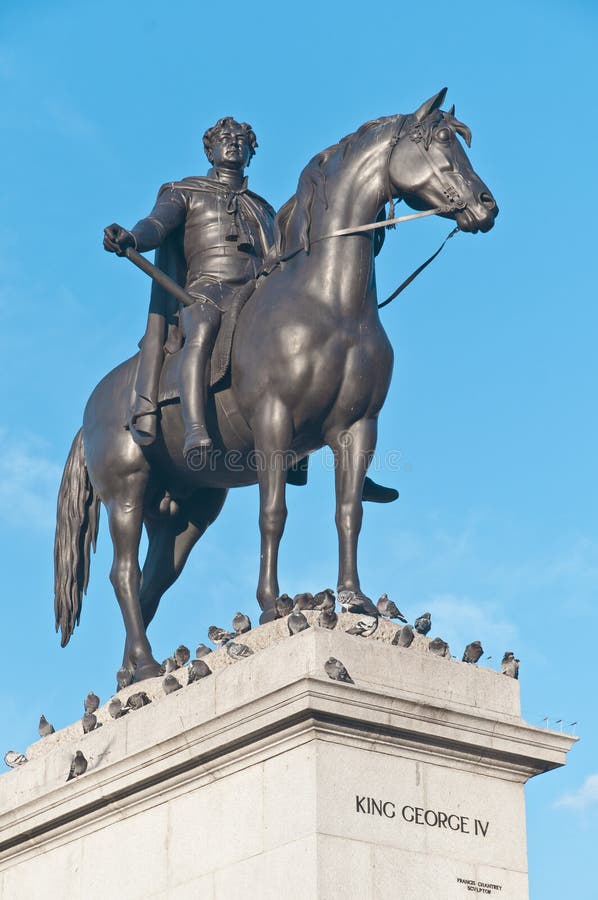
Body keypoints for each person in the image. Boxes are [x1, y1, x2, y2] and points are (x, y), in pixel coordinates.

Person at [104, 116, 398, 502]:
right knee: (205, 326)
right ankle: (196, 428)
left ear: (250, 153)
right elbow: (156, 225)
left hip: (257, 293)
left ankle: (326, 458)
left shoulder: (264, 209)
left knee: (306, 341)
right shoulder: (184, 192)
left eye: (242, 140)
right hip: (207, 292)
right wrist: (132, 238)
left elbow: (291, 253)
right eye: (224, 138)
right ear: (209, 149)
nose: (233, 143)